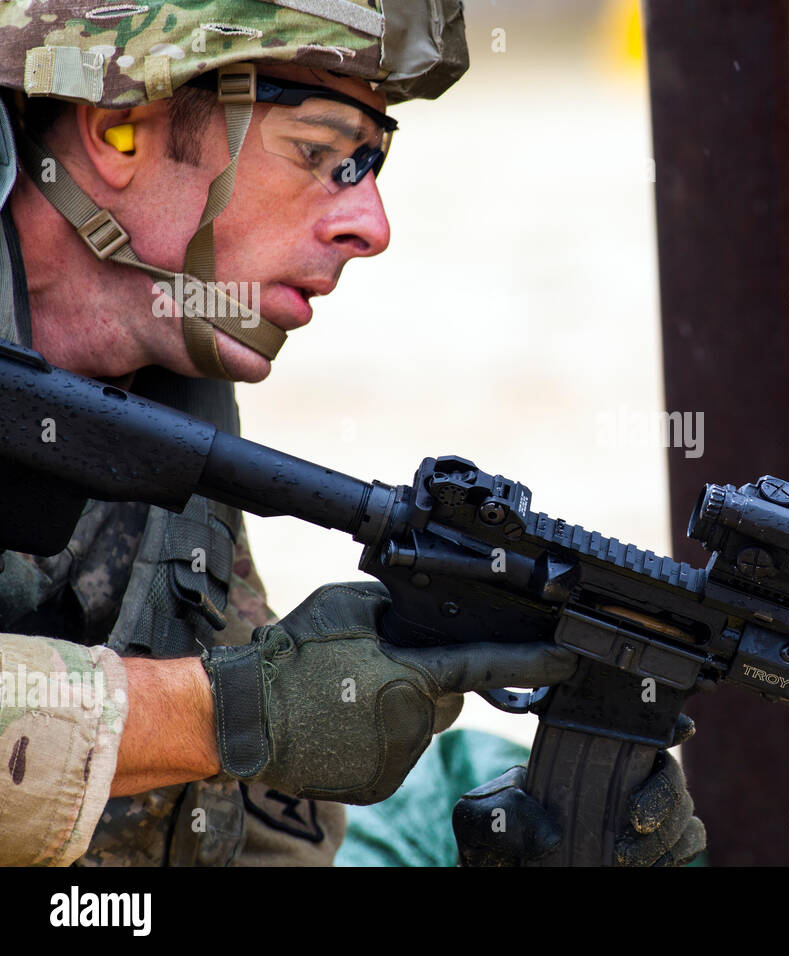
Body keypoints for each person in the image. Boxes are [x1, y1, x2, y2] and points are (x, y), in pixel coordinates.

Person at [0, 0, 703, 867]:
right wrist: (226, 714)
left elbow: (240, 838)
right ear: (118, 132)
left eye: (372, 163)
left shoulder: (168, 401)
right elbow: (215, 718)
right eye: (319, 152)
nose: (371, 226)